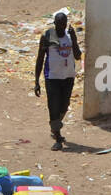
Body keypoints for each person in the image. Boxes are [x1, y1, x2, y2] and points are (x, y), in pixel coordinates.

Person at [34, 9, 81, 150]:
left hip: (68, 76)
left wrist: (73, 39)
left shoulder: (69, 35)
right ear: (55, 24)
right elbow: (40, 59)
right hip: (52, 77)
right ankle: (58, 137)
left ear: (66, 24)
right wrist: (36, 81)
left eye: (64, 25)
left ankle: (54, 125)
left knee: (64, 105)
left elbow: (78, 56)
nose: (62, 28)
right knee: (53, 106)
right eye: (59, 25)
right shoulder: (47, 36)